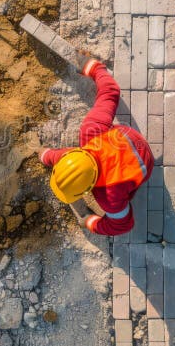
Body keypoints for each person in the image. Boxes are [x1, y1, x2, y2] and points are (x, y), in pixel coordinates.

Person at [38, 56, 155, 236]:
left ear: (88, 189)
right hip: (129, 140)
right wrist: (93, 68)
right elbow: (110, 90)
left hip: (146, 165)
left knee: (127, 196)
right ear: (75, 153)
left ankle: (130, 188)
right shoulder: (91, 132)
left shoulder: (109, 197)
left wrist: (91, 222)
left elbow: (122, 226)